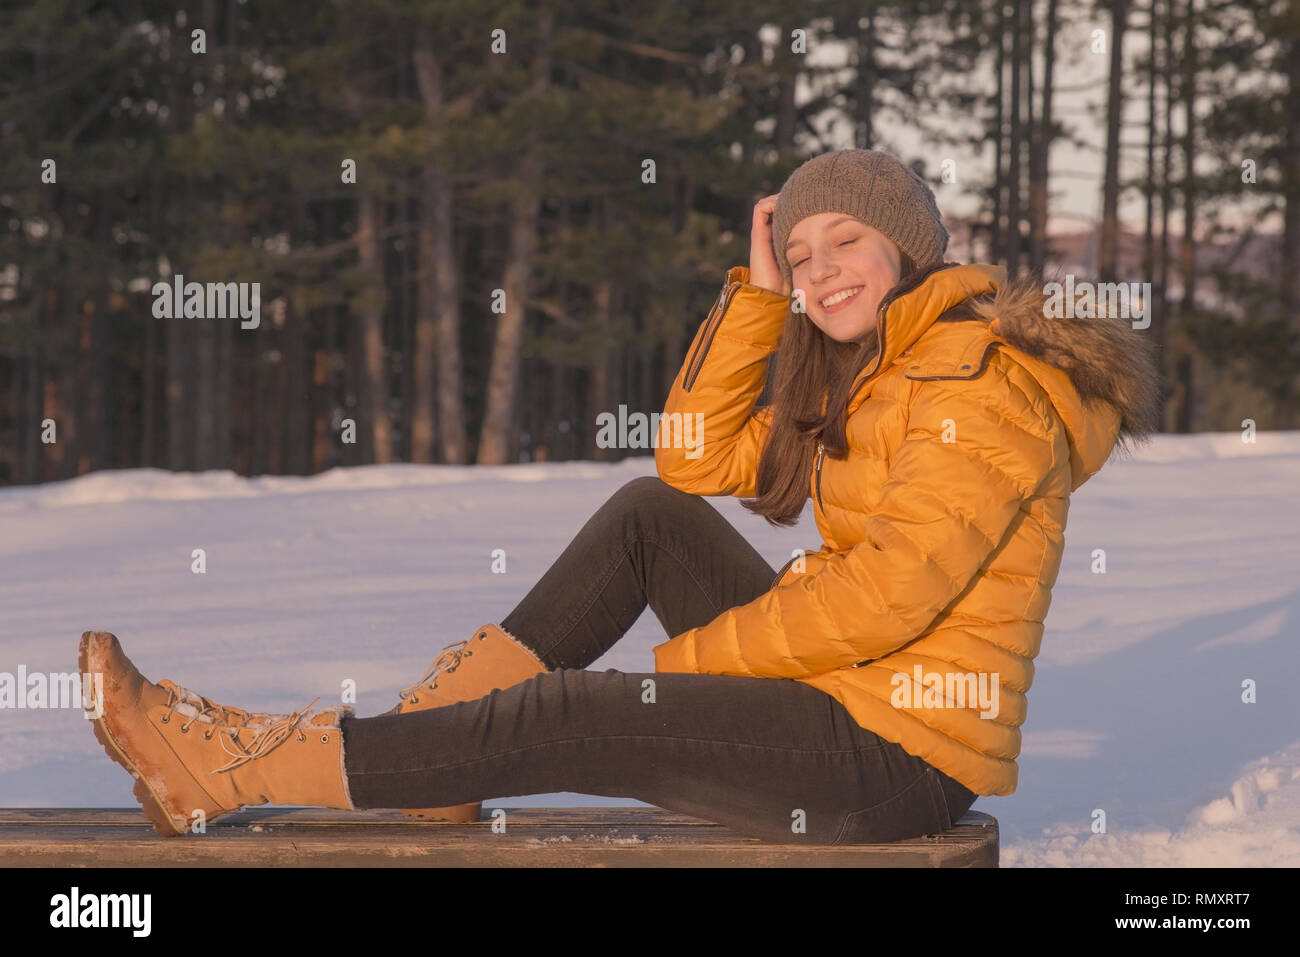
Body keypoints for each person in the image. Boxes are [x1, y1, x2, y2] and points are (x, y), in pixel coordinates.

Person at [80, 148, 1161, 846]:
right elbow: (693, 459)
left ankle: (233, 765)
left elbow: (883, 600)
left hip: (896, 758)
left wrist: (679, 670)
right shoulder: (872, 368)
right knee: (652, 516)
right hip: (852, 692)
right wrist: (756, 299)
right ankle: (436, 754)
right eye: (800, 251)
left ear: (907, 247)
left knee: (572, 711)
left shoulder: (979, 388)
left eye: (846, 243)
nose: (821, 270)